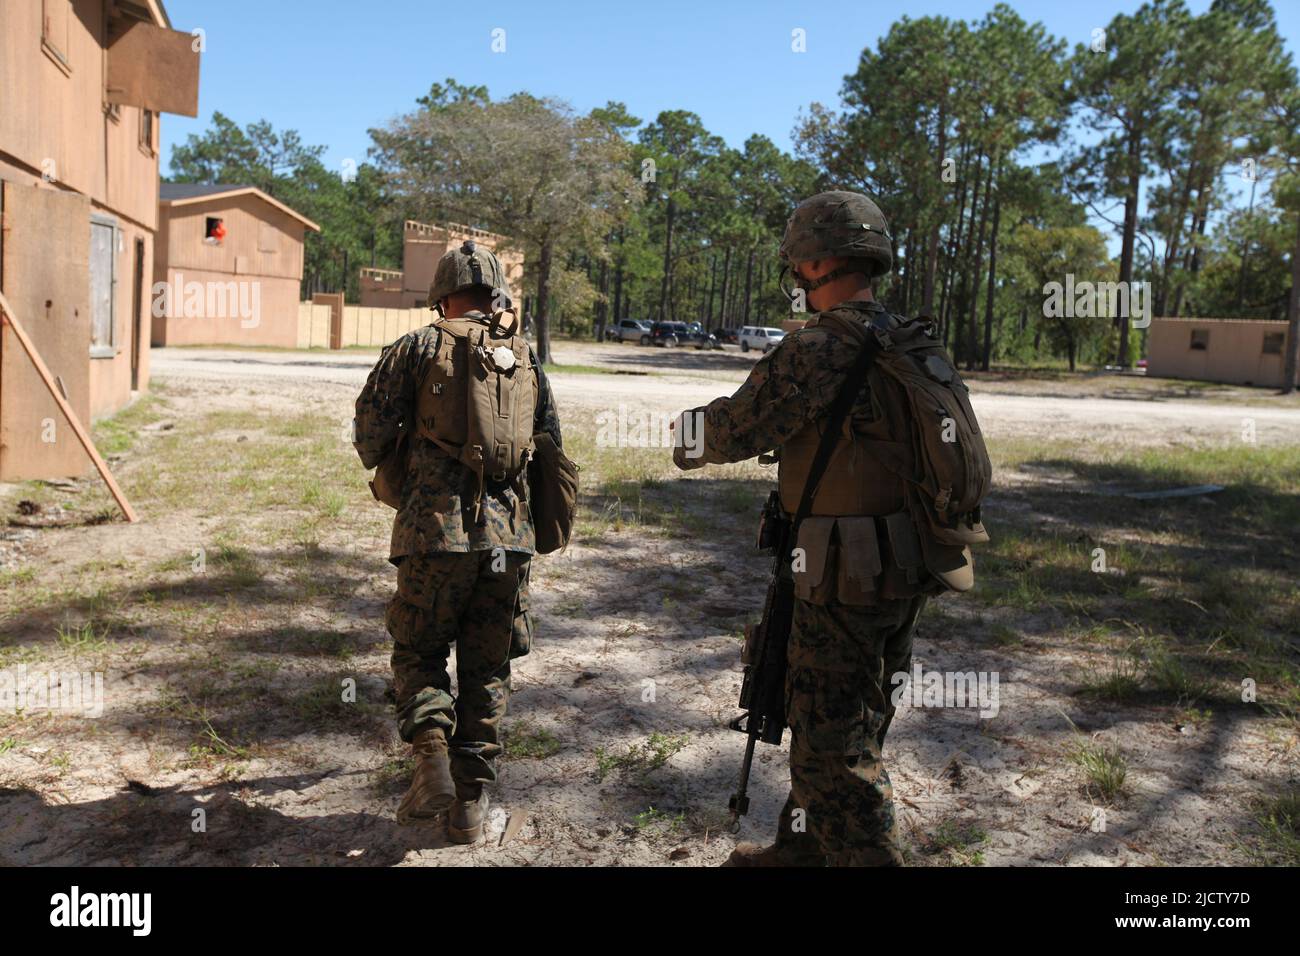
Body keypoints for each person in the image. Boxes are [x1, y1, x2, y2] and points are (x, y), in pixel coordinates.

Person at [672, 191, 988, 866]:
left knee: (833, 750)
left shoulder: (818, 349)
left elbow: (726, 433)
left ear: (814, 262)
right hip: (905, 566)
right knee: (852, 721)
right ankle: (805, 850)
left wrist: (684, 431)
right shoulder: (912, 341)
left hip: (840, 575)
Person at [353, 239, 562, 843]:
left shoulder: (417, 347)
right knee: (487, 665)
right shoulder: (524, 357)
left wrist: (408, 457)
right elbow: (549, 442)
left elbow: (369, 432)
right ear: (496, 295)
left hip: (432, 534)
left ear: (441, 297)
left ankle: (431, 764)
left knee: (419, 651)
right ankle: (470, 804)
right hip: (509, 545)